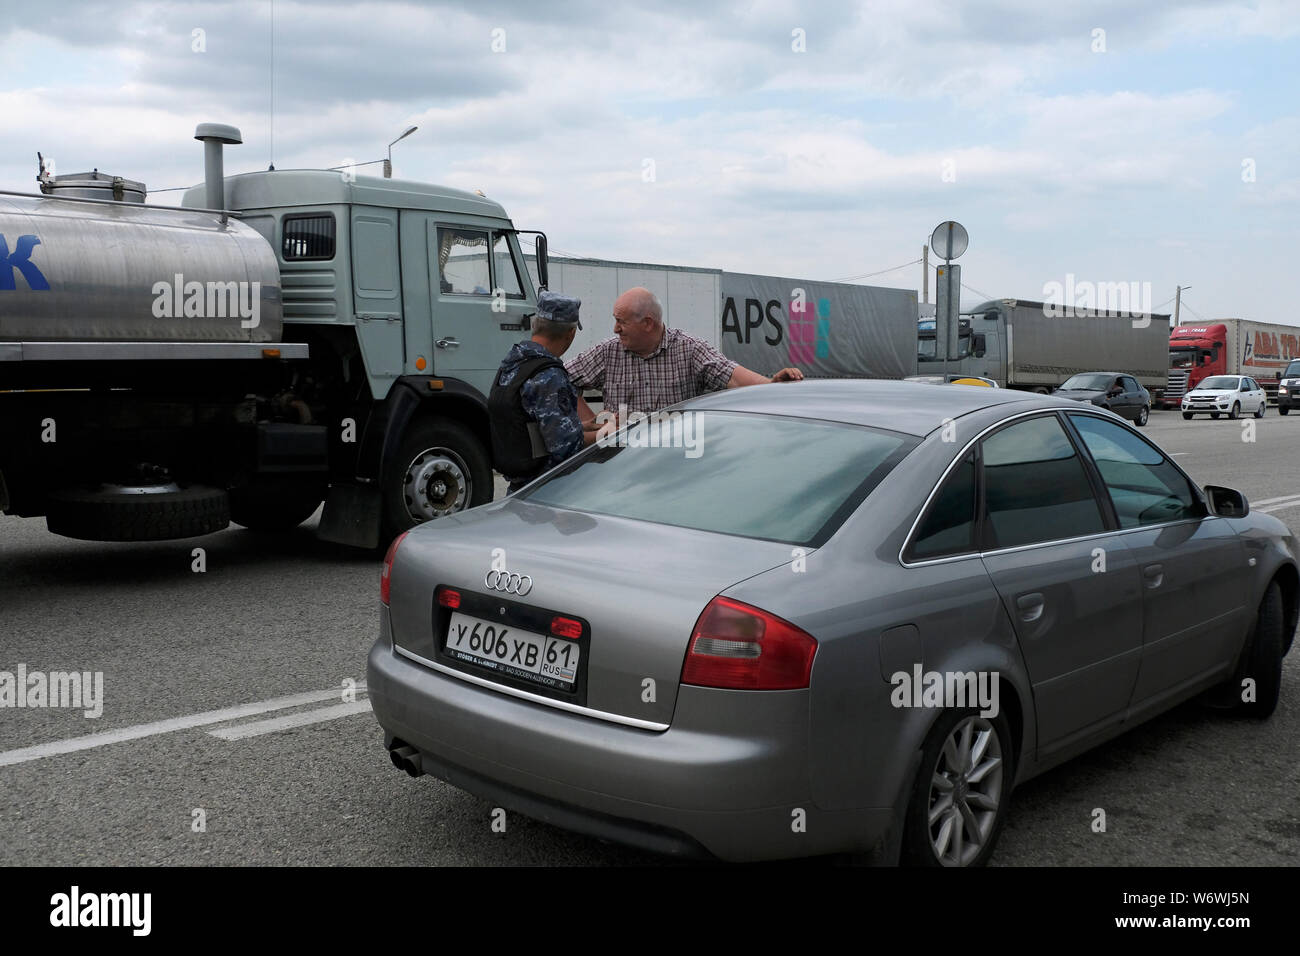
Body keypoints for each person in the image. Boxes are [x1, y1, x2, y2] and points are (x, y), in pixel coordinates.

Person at [565, 286, 802, 424]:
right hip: (621, 462)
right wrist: (594, 425)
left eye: (621, 322)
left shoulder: (689, 350)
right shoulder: (608, 352)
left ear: (647, 323)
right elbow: (560, 380)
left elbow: (733, 377)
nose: (615, 329)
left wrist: (771, 385)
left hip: (676, 463)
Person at [488, 291, 610, 493]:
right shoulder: (550, 375)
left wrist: (584, 426)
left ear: (536, 324)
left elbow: (535, 424)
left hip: (519, 488)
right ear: (570, 334)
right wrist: (608, 433)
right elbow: (567, 447)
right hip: (551, 491)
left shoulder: (512, 363)